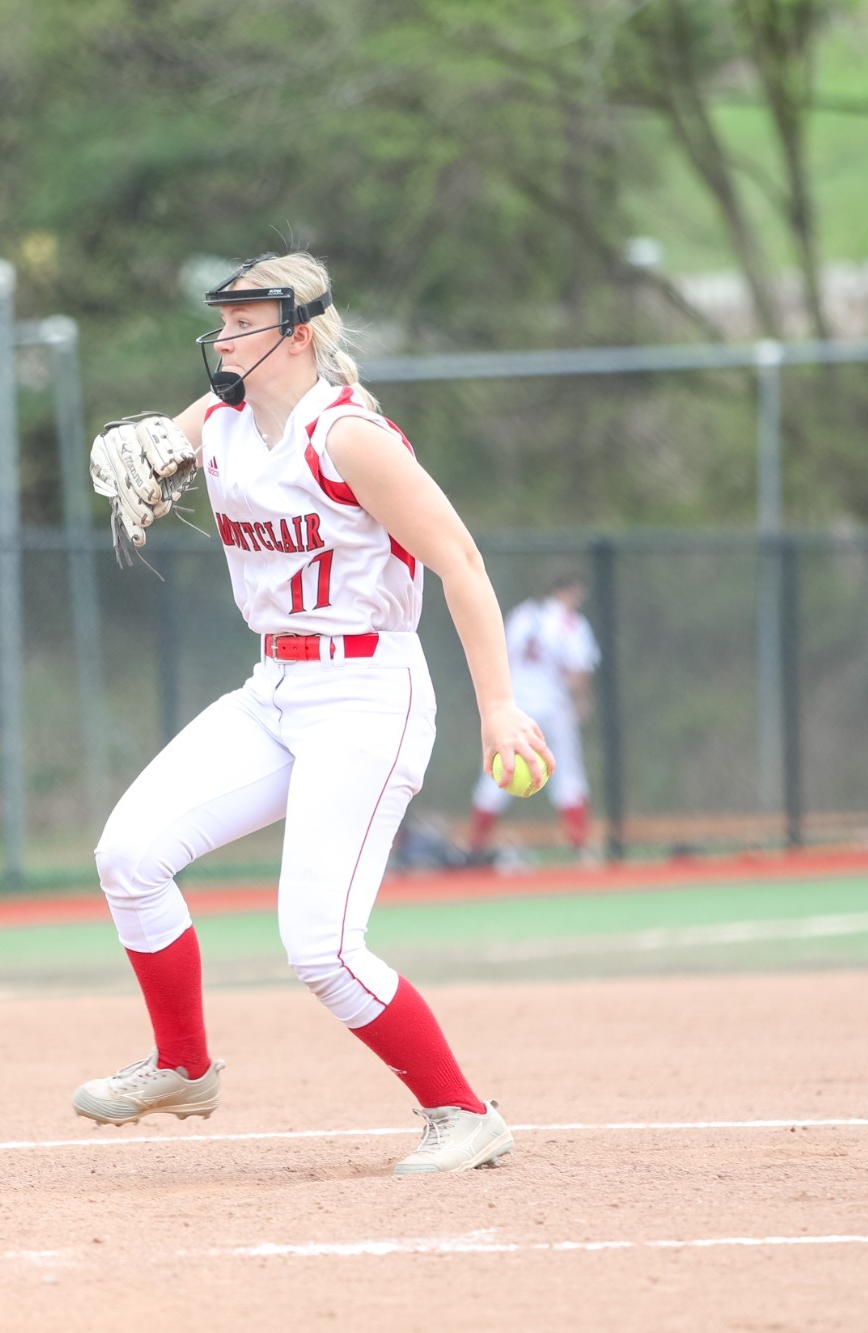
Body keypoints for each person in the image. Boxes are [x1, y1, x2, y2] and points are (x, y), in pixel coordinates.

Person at [73, 252, 555, 1174]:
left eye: (242, 322)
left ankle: (461, 1111)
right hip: (276, 689)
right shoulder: (218, 420)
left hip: (369, 693)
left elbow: (462, 562)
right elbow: (160, 453)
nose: (222, 337)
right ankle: (182, 1063)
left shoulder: (348, 439)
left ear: (295, 334)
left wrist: (499, 705)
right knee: (129, 856)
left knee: (321, 943)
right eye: (221, 321)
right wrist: (139, 465)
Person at [466, 575, 602, 862]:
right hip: (554, 708)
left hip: (515, 707)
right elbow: (578, 673)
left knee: (495, 775)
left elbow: (499, 656)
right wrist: (581, 703)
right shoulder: (569, 622)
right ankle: (581, 849)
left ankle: (474, 848)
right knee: (568, 774)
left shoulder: (522, 615)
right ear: (567, 592)